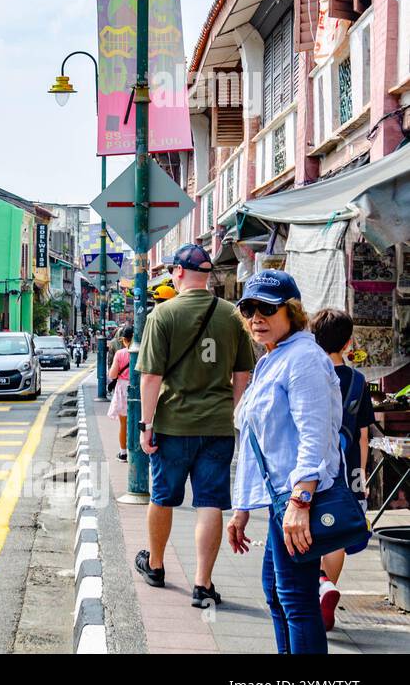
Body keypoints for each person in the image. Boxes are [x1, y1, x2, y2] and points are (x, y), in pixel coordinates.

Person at [135, 243, 256, 609]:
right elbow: (242, 374)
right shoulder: (232, 315)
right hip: (218, 426)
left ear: (179, 273)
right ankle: (202, 584)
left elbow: (151, 378)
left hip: (173, 424)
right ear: (207, 276)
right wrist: (233, 415)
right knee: (210, 503)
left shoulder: (163, 315)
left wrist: (146, 423)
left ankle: (155, 565)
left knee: (163, 497)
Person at [228, 270, 343, 655]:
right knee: (278, 594)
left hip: (296, 501)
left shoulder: (304, 359)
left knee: (296, 600)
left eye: (267, 308)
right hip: (281, 502)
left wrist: (300, 501)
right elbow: (255, 442)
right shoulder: (273, 358)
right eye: (248, 309)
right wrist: (242, 508)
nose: (256, 317)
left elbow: (315, 437)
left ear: (291, 311)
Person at [309, 308, 376, 631]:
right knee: (334, 533)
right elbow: (363, 435)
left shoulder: (309, 373)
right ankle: (327, 585)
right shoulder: (358, 382)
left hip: (311, 466)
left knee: (305, 526)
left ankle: (315, 587)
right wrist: (359, 478)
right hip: (345, 468)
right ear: (349, 343)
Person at [107, 326, 134, 463]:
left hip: (123, 389)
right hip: (138, 388)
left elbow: (112, 374)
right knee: (139, 422)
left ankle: (123, 453)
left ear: (124, 340)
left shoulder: (120, 353)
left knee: (123, 423)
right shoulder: (142, 352)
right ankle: (139, 452)